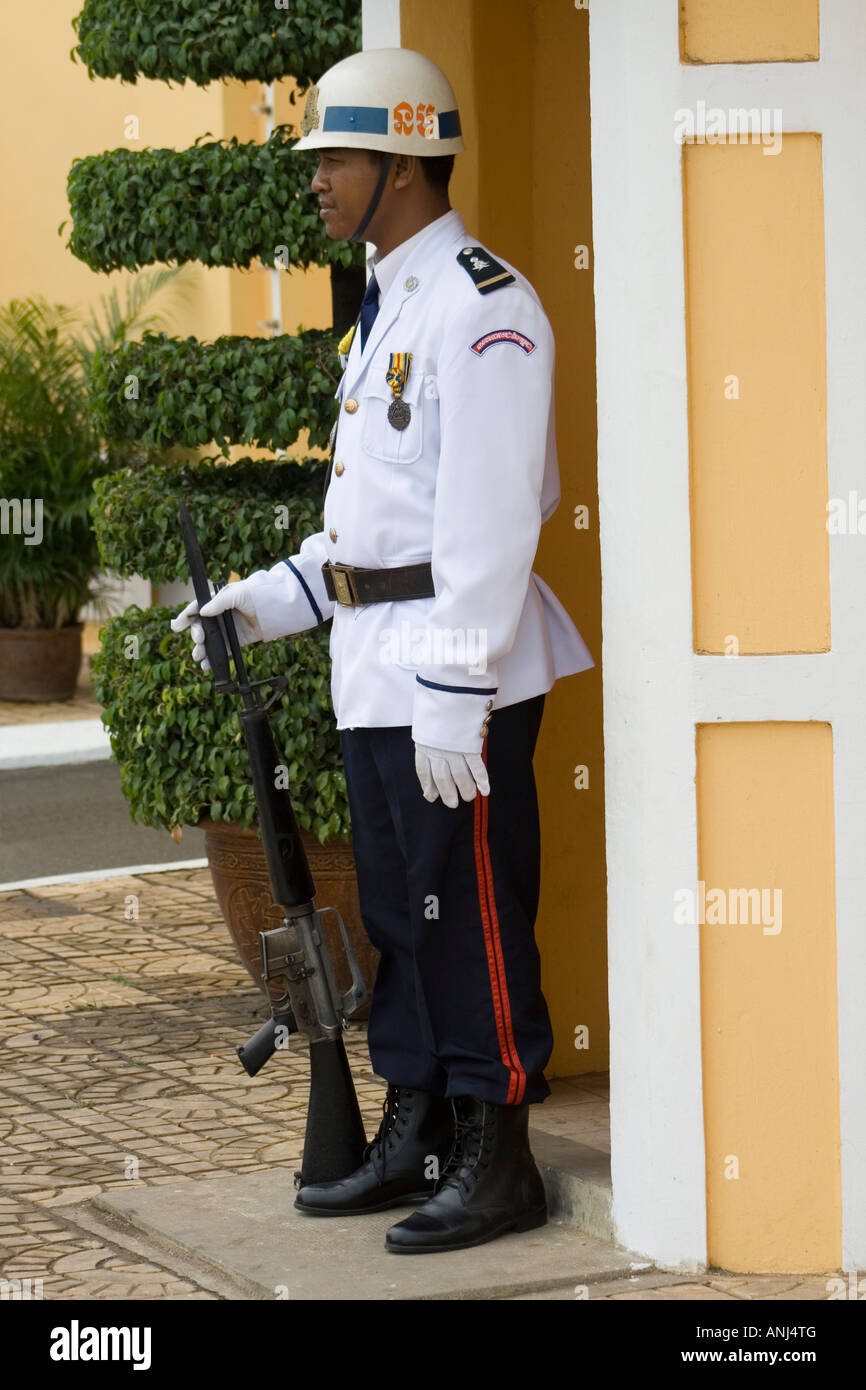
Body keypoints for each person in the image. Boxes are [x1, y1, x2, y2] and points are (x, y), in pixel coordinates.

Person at [172, 47, 594, 1255]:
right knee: (405, 922)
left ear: (402, 165)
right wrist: (259, 602)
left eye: (337, 157)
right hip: (375, 662)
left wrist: (455, 694)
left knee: (465, 912)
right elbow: (365, 530)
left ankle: (494, 1148)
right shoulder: (384, 305)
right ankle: (413, 1125)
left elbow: (487, 519)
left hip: (450, 675)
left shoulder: (483, 307)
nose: (315, 178)